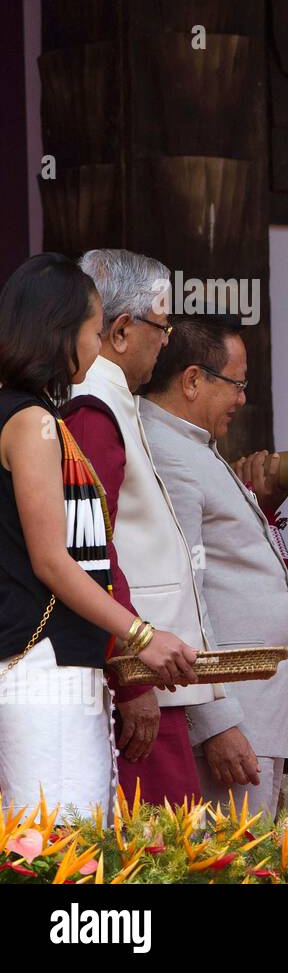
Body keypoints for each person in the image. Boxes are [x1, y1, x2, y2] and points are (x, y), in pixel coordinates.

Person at [0, 253, 196, 820]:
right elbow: (53, 562)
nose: (98, 340)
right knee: (64, 850)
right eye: (92, 328)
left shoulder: (34, 417)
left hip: (52, 665)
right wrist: (141, 635)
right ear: (61, 332)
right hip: (45, 667)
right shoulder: (33, 422)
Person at [65, 249, 220, 806]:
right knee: (156, 856)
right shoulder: (91, 405)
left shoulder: (111, 399)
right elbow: (91, 547)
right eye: (162, 327)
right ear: (124, 330)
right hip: (133, 671)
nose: (167, 341)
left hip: (147, 663)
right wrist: (129, 674)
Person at [140, 316, 288, 816]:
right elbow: (180, 599)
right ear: (193, 380)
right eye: (236, 384)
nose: (242, 399)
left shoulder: (194, 447)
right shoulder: (167, 452)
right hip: (233, 717)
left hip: (256, 712)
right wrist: (216, 722)